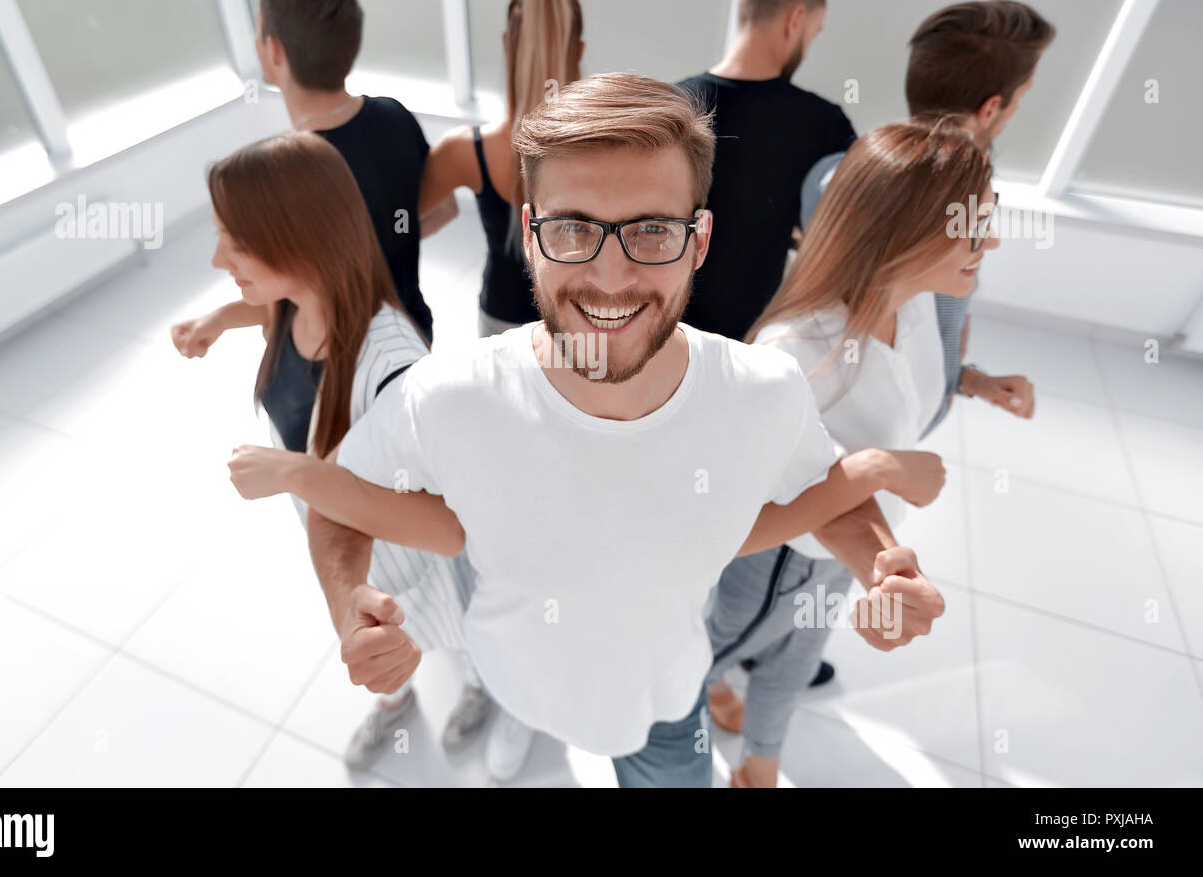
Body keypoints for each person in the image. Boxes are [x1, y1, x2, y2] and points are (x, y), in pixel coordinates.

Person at [229, 73, 949, 787]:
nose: (610, 276)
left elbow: (824, 484)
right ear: (531, 236)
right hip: (514, 672)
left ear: (698, 242)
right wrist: (347, 602)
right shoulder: (445, 398)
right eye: (573, 228)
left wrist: (882, 561)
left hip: (666, 699)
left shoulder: (765, 393)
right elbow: (338, 502)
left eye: (651, 231)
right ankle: (517, 724)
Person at [707, 117, 1021, 787]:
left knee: (800, 654)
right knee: (715, 651)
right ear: (903, 235)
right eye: (973, 227)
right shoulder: (794, 355)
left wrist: (974, 383)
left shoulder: (912, 303)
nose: (990, 241)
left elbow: (912, 399)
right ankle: (704, 696)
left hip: (826, 563)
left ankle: (760, 765)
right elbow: (818, 502)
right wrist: (887, 564)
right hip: (778, 560)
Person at [170, 131, 493, 770]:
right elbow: (262, 313)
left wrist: (297, 472)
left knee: (457, 632)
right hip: (345, 540)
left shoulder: (395, 367)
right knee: (371, 640)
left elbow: (450, 522)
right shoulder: (295, 304)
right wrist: (214, 322)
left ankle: (486, 692)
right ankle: (395, 704)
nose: (216, 258)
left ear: (300, 238)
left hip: (406, 554)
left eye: (234, 241)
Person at [800, 0, 1054, 432]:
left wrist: (968, 379)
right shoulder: (953, 213)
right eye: (1020, 99)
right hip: (872, 438)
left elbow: (916, 336)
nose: (987, 240)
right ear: (991, 108)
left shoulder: (838, 174)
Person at [252, 0, 435, 341]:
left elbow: (279, 298)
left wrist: (217, 319)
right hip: (412, 333)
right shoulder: (395, 116)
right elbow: (442, 210)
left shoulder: (279, 173)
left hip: (339, 365)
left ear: (276, 50)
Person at [676, 0, 856, 342]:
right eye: (815, 31)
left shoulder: (670, 105)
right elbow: (848, 229)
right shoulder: (823, 124)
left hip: (658, 337)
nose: (808, 46)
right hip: (753, 349)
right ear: (796, 20)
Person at [420, 0, 585, 338]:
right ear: (579, 50)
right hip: (578, 321)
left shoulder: (464, 150)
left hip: (500, 321)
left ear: (507, 45)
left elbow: (400, 226)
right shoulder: (604, 150)